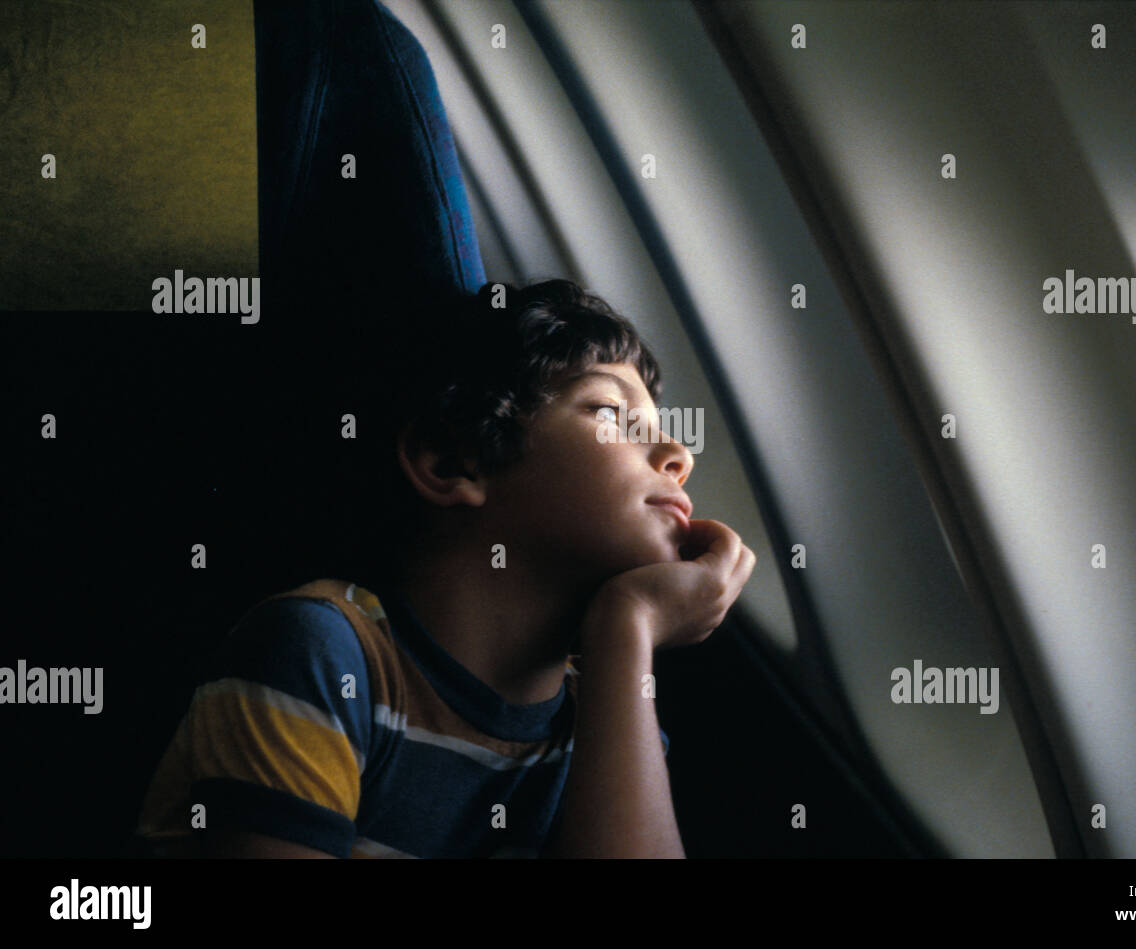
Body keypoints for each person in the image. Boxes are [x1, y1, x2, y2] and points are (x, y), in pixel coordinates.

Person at [134, 279, 757, 857]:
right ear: (453, 462)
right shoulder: (322, 655)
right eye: (611, 414)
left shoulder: (604, 709)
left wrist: (628, 627)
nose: (678, 455)